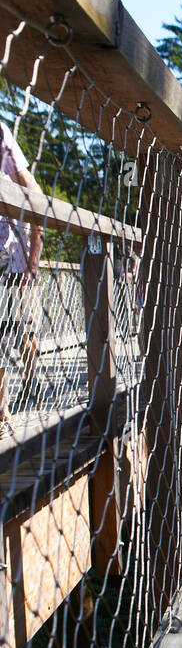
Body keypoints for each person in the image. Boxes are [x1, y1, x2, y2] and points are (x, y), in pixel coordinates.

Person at [0, 120, 44, 434]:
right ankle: (3, 409)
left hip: (9, 256)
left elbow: (35, 196)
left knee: (20, 331)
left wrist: (32, 260)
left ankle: (30, 382)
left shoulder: (0, 134)